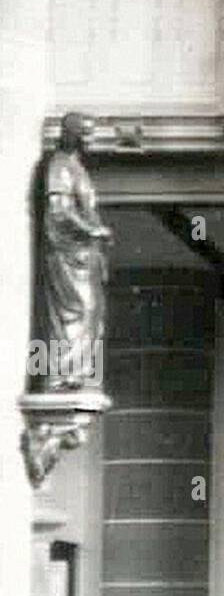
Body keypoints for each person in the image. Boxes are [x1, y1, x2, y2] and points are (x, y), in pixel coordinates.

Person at [36, 112, 112, 391]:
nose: (90, 140)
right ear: (72, 135)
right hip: (68, 255)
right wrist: (93, 231)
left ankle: (77, 374)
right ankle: (62, 376)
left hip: (83, 256)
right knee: (78, 309)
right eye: (85, 134)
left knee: (92, 313)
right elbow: (58, 211)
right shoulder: (60, 165)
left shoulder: (77, 167)